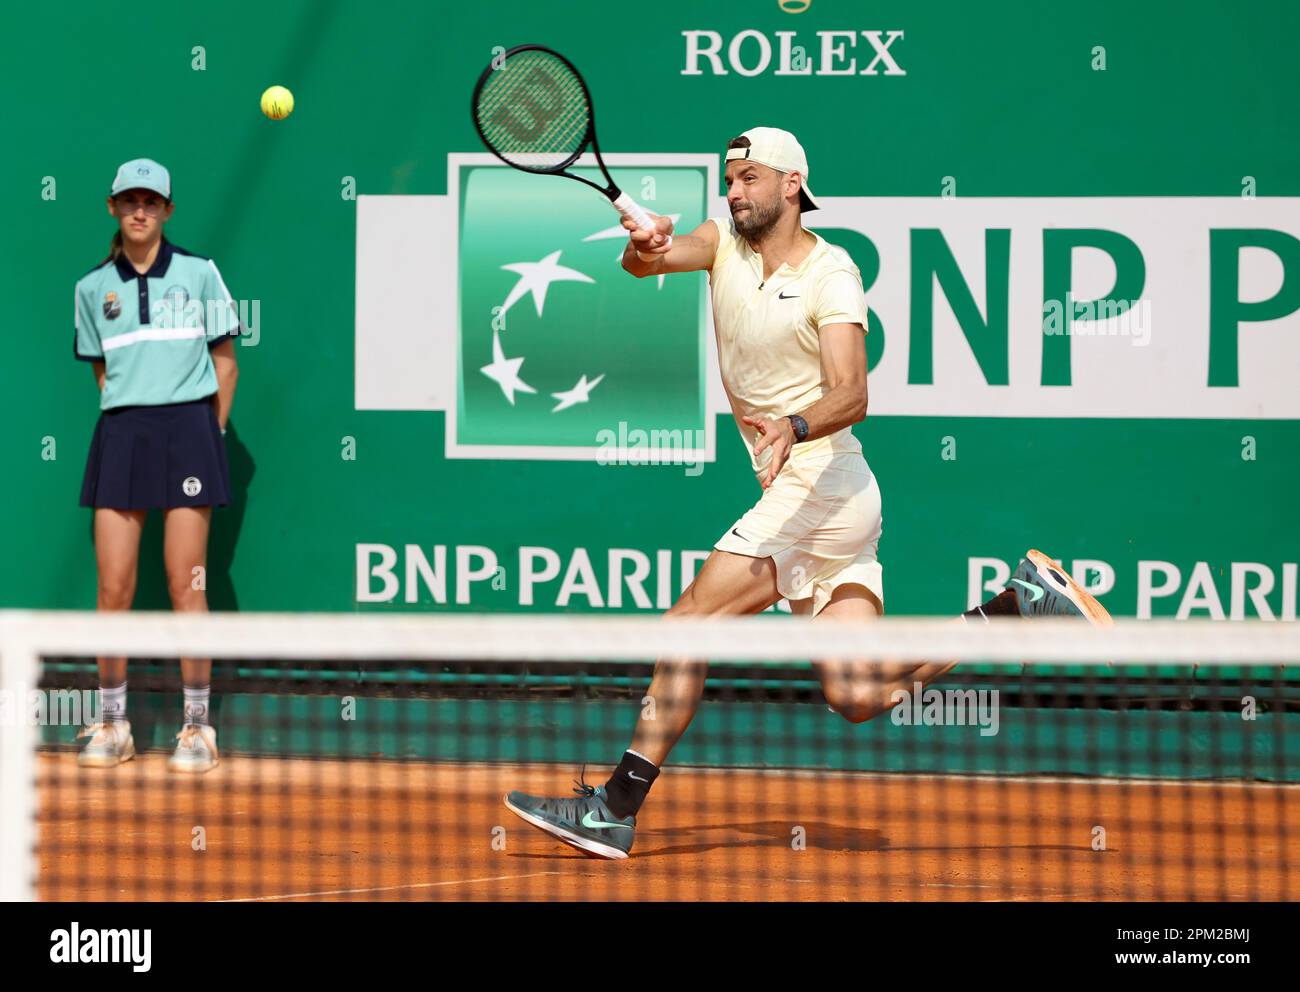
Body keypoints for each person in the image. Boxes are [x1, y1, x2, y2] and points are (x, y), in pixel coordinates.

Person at [504, 128, 1111, 858]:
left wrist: (795, 424)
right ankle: (1014, 605)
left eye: (750, 178)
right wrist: (645, 242)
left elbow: (853, 391)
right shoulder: (722, 243)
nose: (734, 191)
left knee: (688, 622)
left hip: (818, 484)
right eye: (730, 179)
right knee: (857, 696)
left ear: (793, 184)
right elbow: (648, 264)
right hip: (835, 499)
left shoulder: (834, 275)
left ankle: (615, 808)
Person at [72, 158, 241, 773]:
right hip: (123, 432)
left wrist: (207, 432)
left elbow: (226, 364)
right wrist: (131, 411)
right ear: (113, 207)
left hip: (189, 433)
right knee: (113, 586)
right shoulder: (91, 289)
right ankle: (113, 723)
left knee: (185, 583)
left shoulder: (199, 274)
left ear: (168, 210)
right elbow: (103, 372)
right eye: (129, 200)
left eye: (152, 201)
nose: (140, 210)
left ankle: (197, 727)